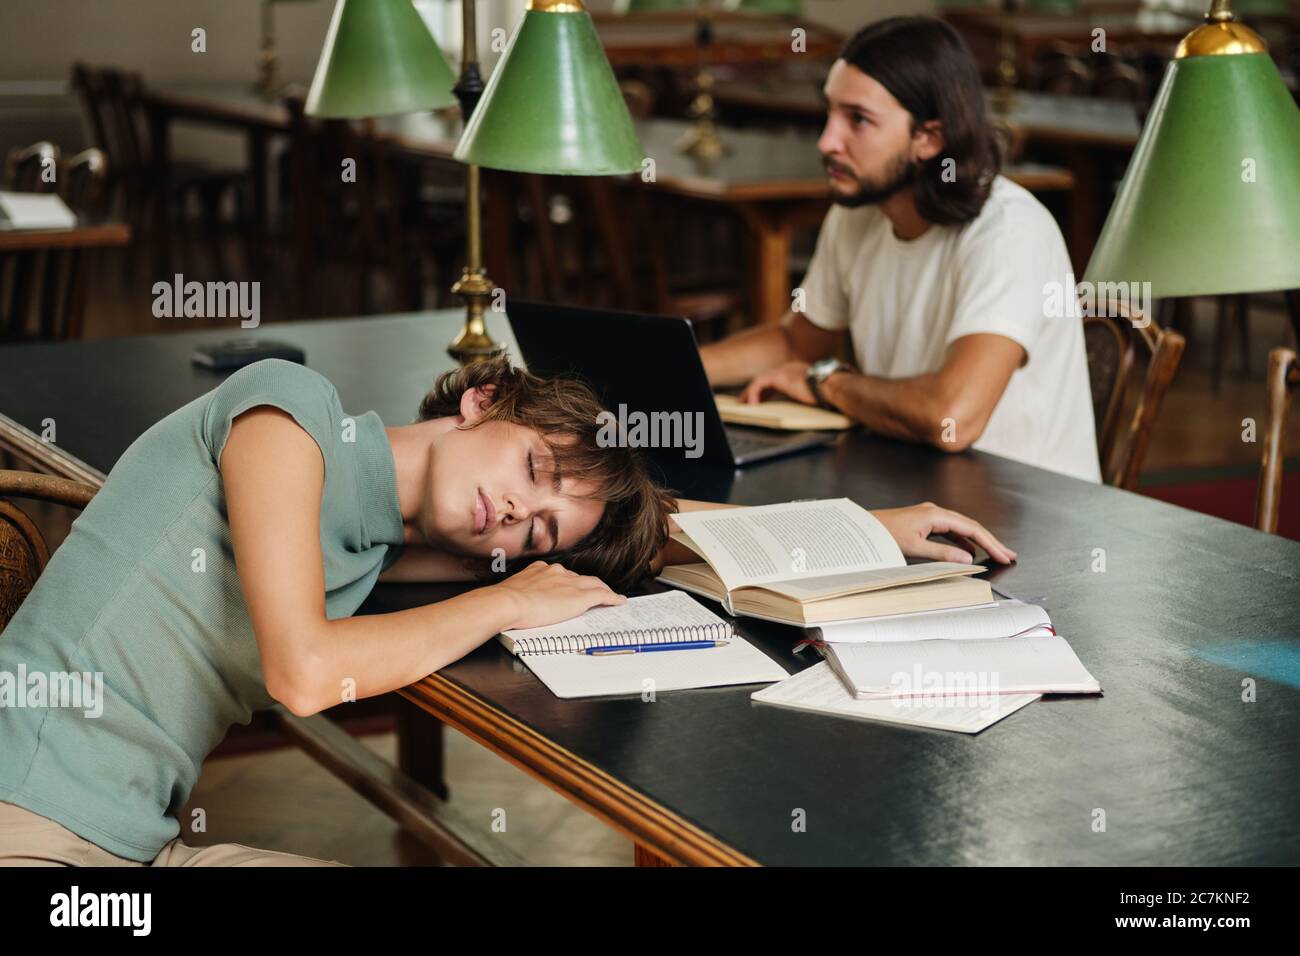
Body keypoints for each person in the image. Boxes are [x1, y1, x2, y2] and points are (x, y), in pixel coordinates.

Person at [0, 357, 1014, 867]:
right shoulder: (283, 410)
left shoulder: (371, 545)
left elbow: (642, 529)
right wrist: (512, 591)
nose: (520, 512)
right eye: (534, 468)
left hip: (125, 845)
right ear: (483, 399)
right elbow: (305, 671)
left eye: (535, 531)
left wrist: (861, 526)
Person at [701, 16, 1102, 483]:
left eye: (858, 120)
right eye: (830, 112)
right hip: (913, 487)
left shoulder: (1011, 231)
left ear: (928, 139)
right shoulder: (856, 214)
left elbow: (952, 417)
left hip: (1035, 523)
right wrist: (670, 372)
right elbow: (796, 341)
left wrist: (826, 382)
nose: (827, 141)